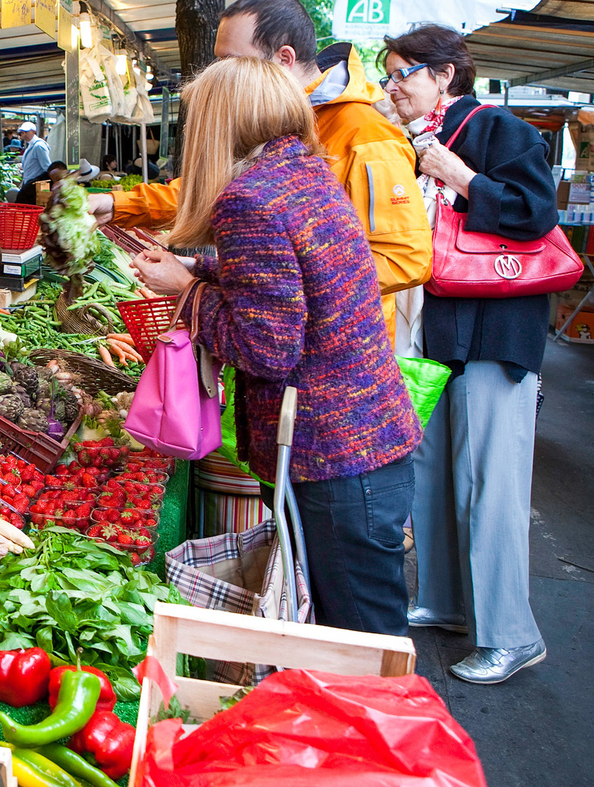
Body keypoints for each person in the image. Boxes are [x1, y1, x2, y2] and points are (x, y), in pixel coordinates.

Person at [125, 57, 422, 637]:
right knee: (365, 627)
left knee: (359, 641)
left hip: (329, 454)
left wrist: (186, 288)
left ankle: (384, 728)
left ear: (218, 122)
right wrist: (200, 264)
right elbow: (292, 273)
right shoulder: (305, 172)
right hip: (364, 439)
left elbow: (265, 348)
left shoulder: (247, 199)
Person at [89, 0, 432, 344]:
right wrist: (118, 204)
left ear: (284, 59)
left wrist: (209, 286)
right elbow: (212, 188)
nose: (218, 73)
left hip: (336, 346)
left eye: (232, 61)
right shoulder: (266, 125)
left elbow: (406, 258)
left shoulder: (365, 135)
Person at [381, 24, 555, 684]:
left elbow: (537, 213)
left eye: (404, 73)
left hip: (494, 331)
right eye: (391, 74)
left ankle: (512, 633)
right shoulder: (409, 141)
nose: (393, 86)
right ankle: (446, 602)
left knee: (490, 482)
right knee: (433, 473)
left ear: (445, 75)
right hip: (439, 332)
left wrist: (463, 177)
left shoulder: (496, 128)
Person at [18, 121, 50, 188]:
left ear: (33, 132)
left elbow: (47, 167)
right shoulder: (31, 145)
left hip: (36, 185)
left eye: (26, 132)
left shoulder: (39, 146)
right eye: (22, 133)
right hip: (30, 184)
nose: (24, 135)